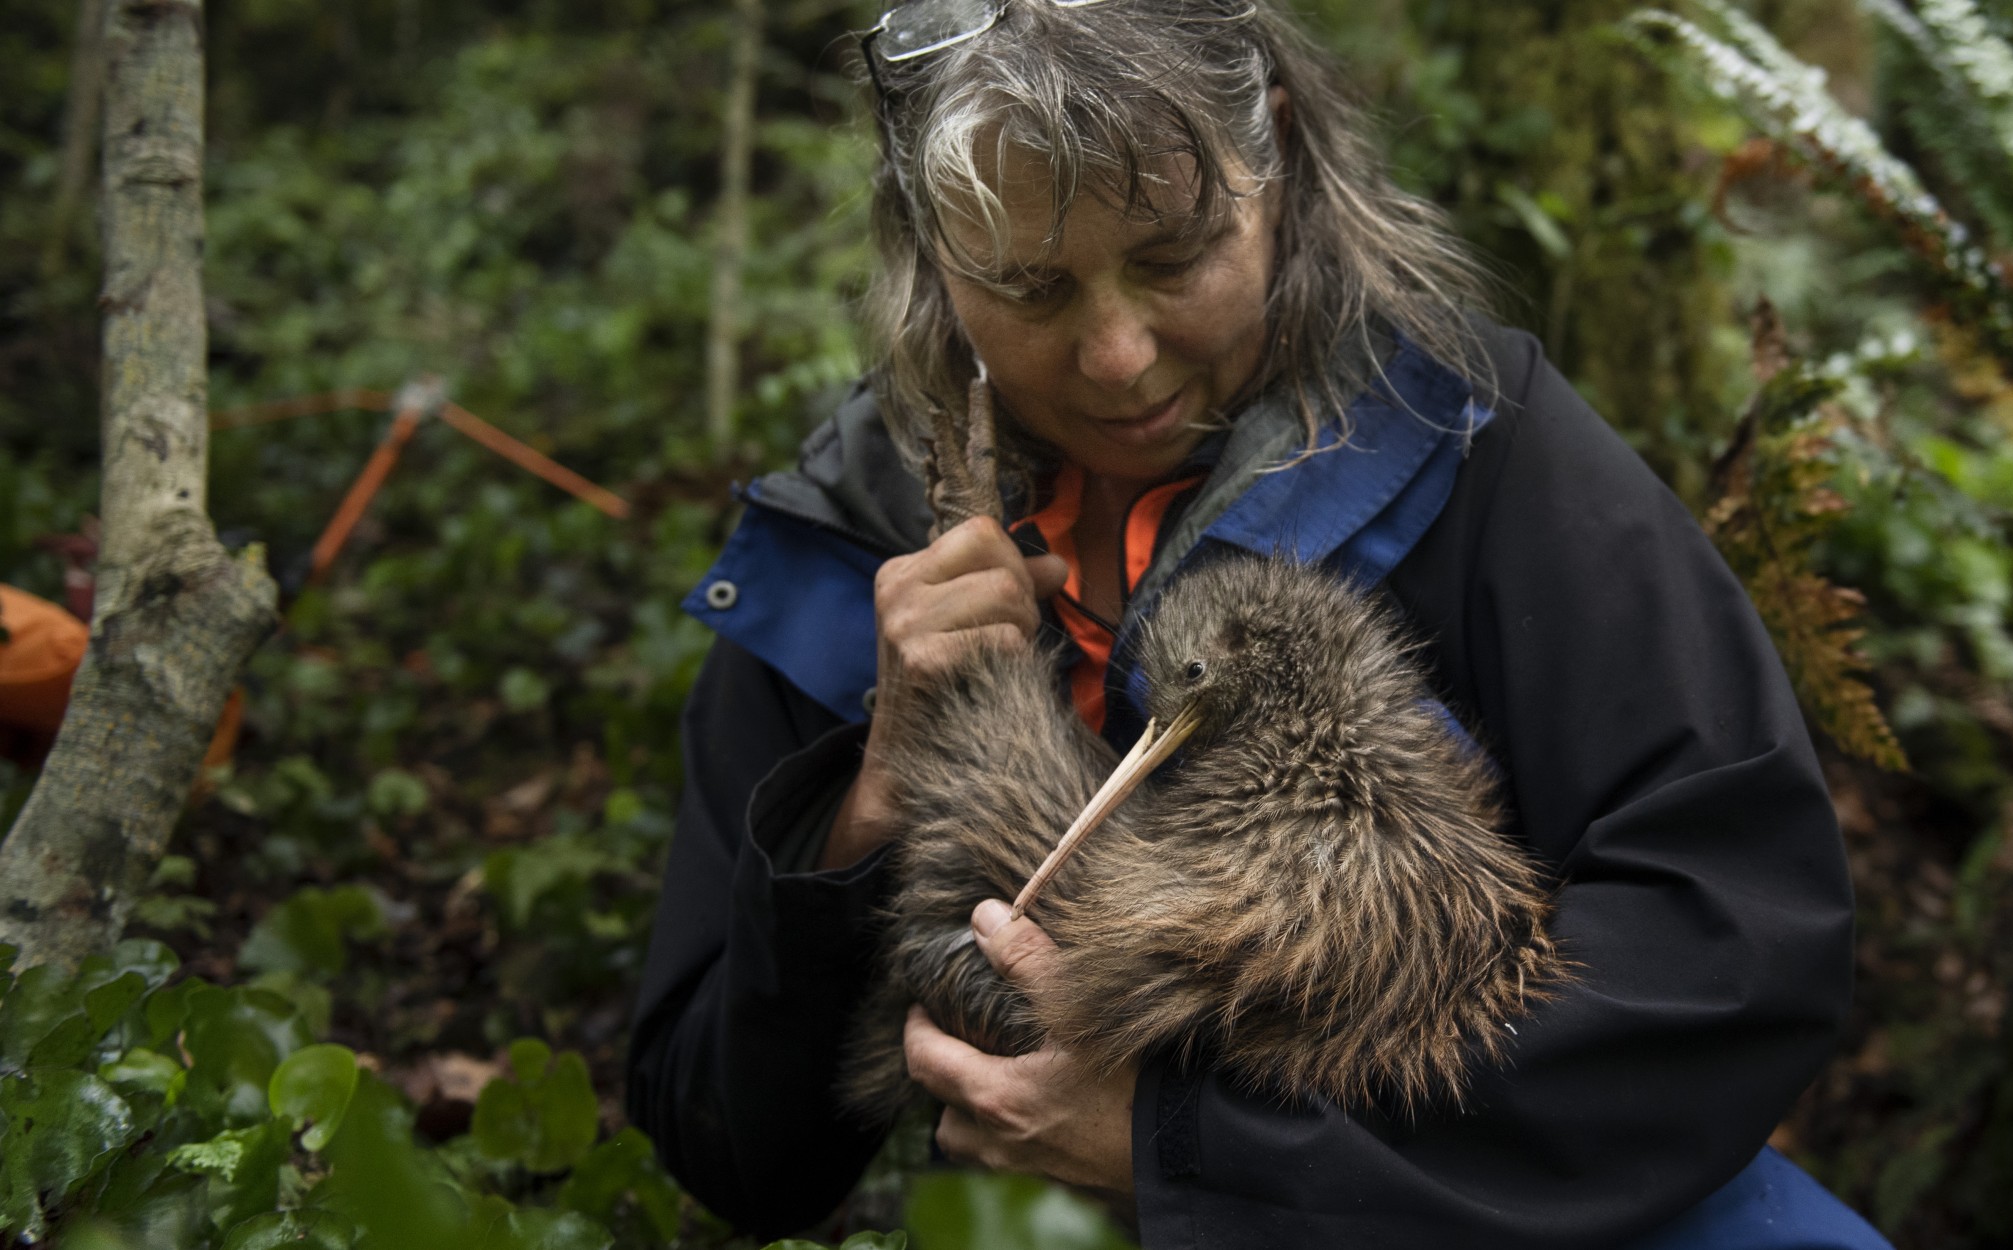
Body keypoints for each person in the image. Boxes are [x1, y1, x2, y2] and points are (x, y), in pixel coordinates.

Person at [628, 2, 1884, 1246]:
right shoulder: (853, 539)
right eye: (1029, 284)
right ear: (926, 237)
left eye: (1174, 256)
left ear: (1271, 154)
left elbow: (1731, 952)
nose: (1118, 355)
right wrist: (871, 794)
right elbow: (729, 1143)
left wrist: (1188, 1147)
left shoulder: (1472, 444)